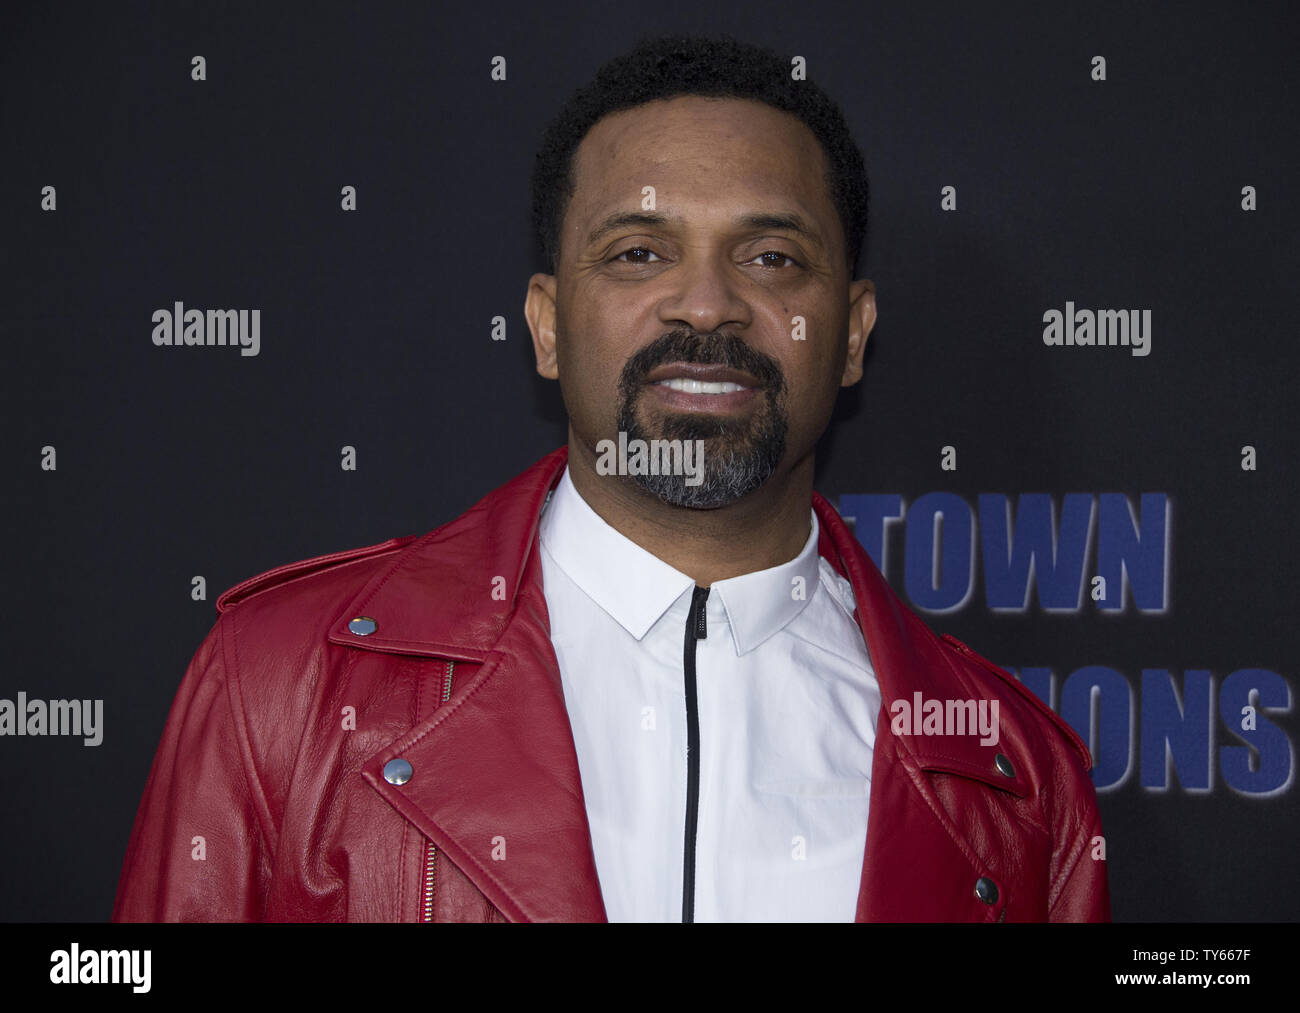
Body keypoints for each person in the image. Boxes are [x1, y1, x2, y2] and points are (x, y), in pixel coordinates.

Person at [113, 33, 1109, 922]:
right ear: (546, 325)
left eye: (769, 256)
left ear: (850, 335)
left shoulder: (1016, 773)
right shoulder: (277, 683)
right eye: (638, 253)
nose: (706, 305)